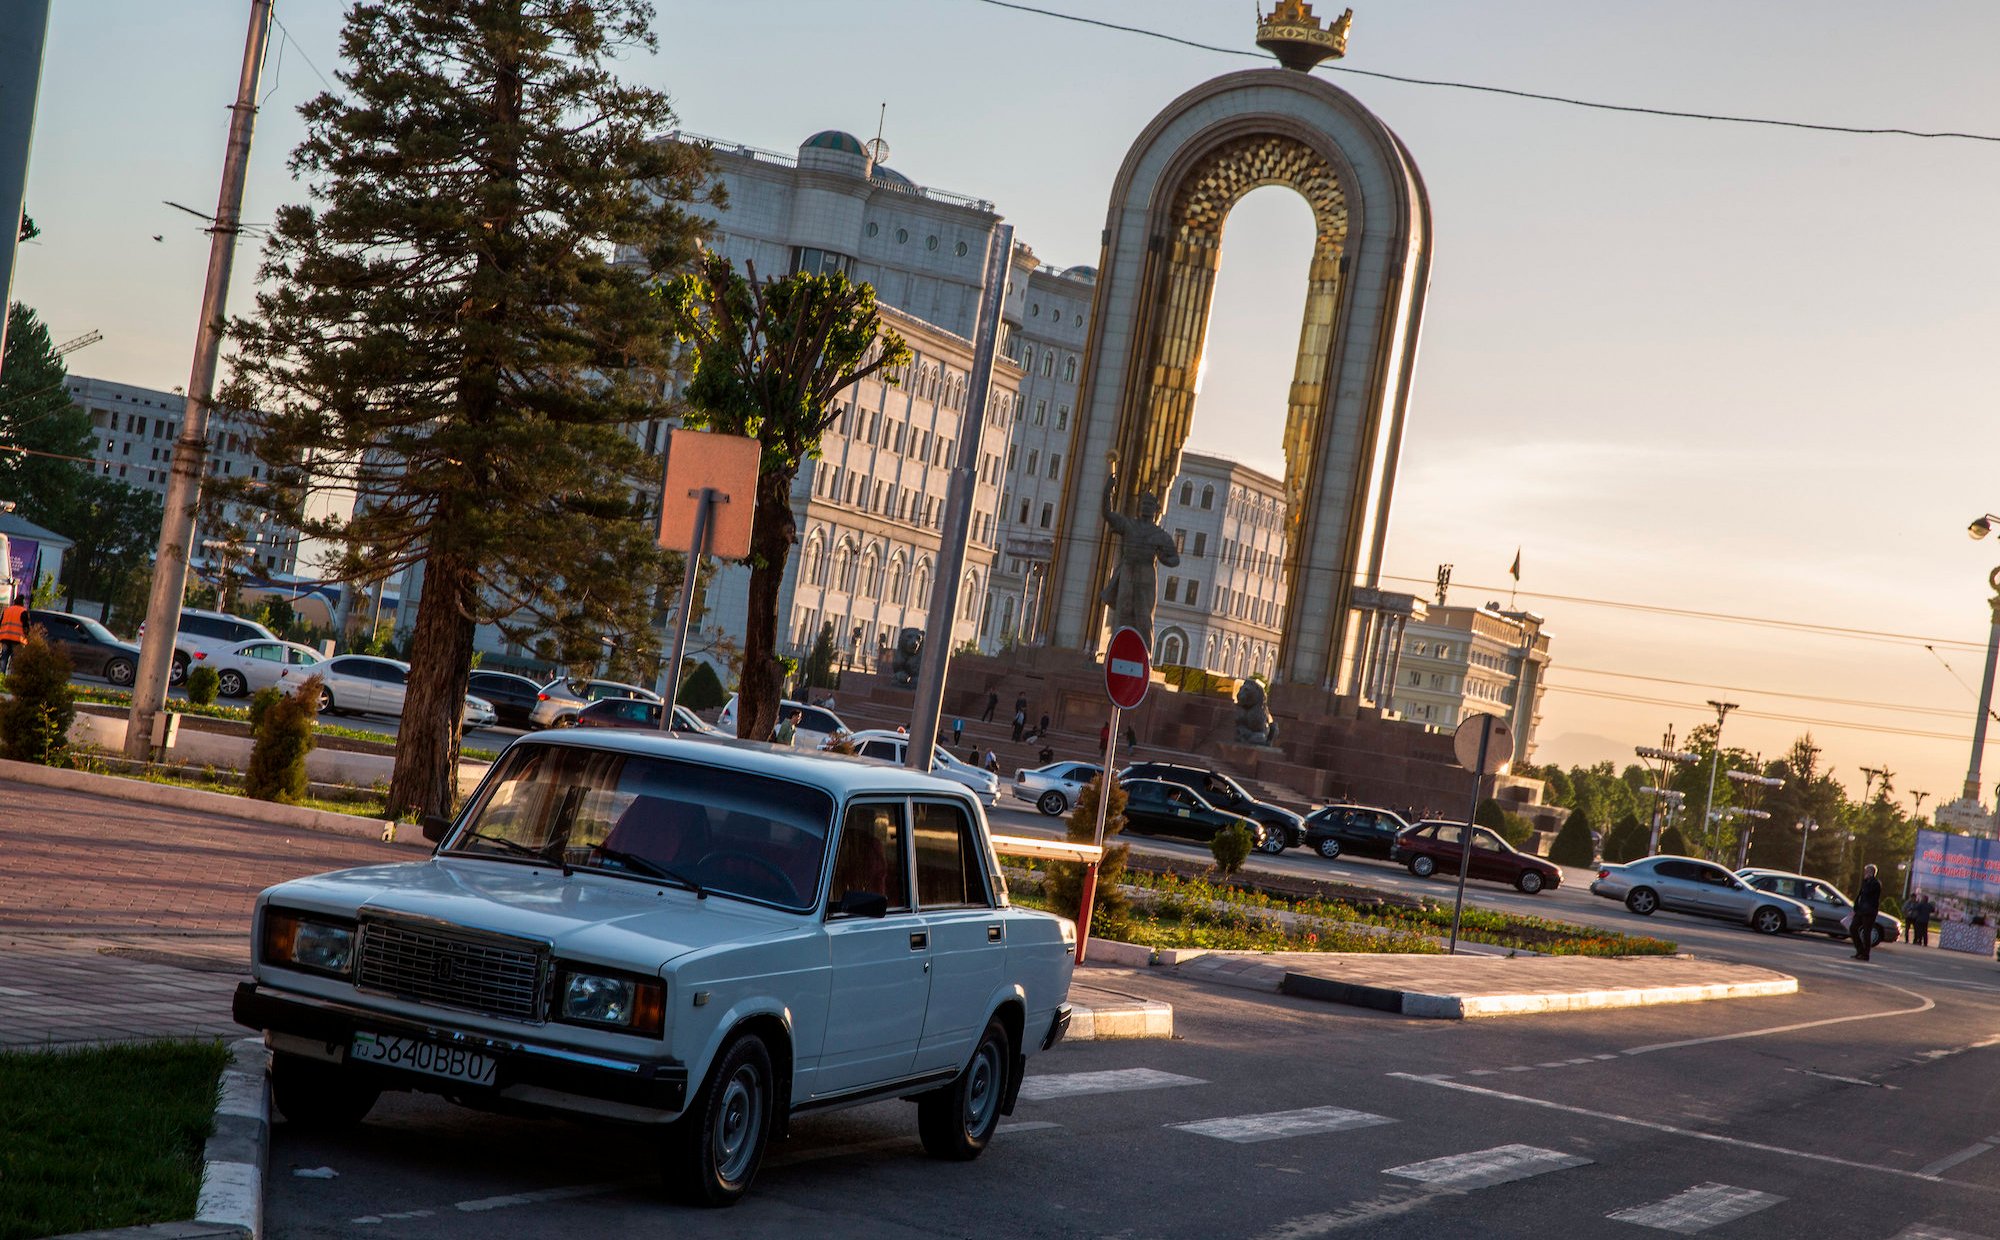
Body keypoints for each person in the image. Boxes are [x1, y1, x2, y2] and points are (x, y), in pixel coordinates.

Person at [1850, 863, 1883, 961]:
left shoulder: (1875, 883)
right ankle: (1859, 950)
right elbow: (1861, 894)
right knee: (1853, 928)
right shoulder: (1865, 882)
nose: (1865, 873)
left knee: (1866, 932)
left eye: (1867, 871)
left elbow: (1868, 892)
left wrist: (1867, 881)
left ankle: (1865, 954)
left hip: (1869, 912)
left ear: (1871, 872)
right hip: (1861, 910)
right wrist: (1856, 907)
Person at [0, 593, 25, 675]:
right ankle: (11, 677)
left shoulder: (7, 610)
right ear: (22, 603)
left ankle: (1, 675)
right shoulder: (23, 612)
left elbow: (1, 623)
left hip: (5, 638)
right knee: (14, 660)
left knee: (4, 657)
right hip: (17, 640)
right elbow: (26, 627)